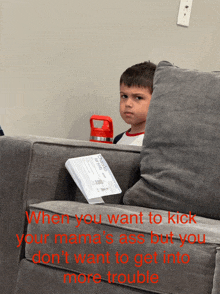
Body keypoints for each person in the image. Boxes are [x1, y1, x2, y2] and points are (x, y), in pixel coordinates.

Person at [113, 61, 156, 146]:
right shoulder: (118, 139)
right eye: (124, 96)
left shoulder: (156, 143)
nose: (128, 104)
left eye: (138, 97)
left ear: (156, 100)